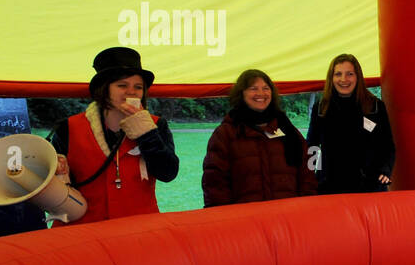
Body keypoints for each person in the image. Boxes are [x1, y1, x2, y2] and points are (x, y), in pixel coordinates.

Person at [49, 46, 178, 225]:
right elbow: (57, 185)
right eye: (122, 85)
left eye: (138, 87)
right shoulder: (68, 127)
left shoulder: (156, 125)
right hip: (82, 230)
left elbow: (168, 173)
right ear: (104, 89)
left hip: (138, 229)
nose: (131, 92)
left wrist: (146, 132)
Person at [202, 69, 316, 206]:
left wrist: (306, 205)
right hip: (245, 220)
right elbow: (215, 183)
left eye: (265, 88)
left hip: (286, 217)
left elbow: (307, 172)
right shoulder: (226, 134)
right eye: (253, 88)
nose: (261, 93)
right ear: (241, 93)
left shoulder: (288, 129)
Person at [306, 54, 395, 194]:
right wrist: (310, 175)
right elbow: (312, 146)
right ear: (331, 78)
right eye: (338, 74)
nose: (343, 79)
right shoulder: (321, 108)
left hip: (368, 187)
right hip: (330, 187)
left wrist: (385, 170)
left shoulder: (375, 107)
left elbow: (387, 145)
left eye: (349, 74)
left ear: (357, 76)